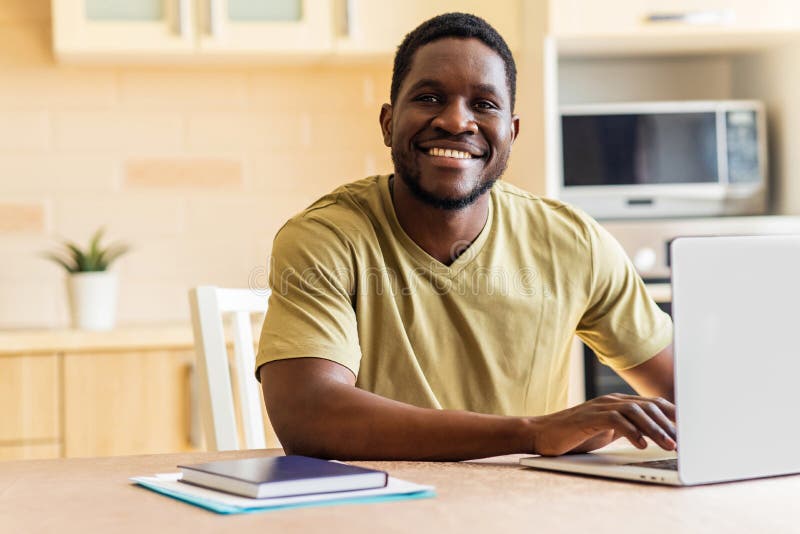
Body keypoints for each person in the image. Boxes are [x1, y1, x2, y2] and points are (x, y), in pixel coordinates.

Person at [255, 13, 676, 461]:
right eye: (430, 97)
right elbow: (309, 416)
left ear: (511, 134)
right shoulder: (326, 238)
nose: (456, 121)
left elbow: (685, 391)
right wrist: (533, 432)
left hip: (529, 512)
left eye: (484, 104)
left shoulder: (573, 242)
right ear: (387, 122)